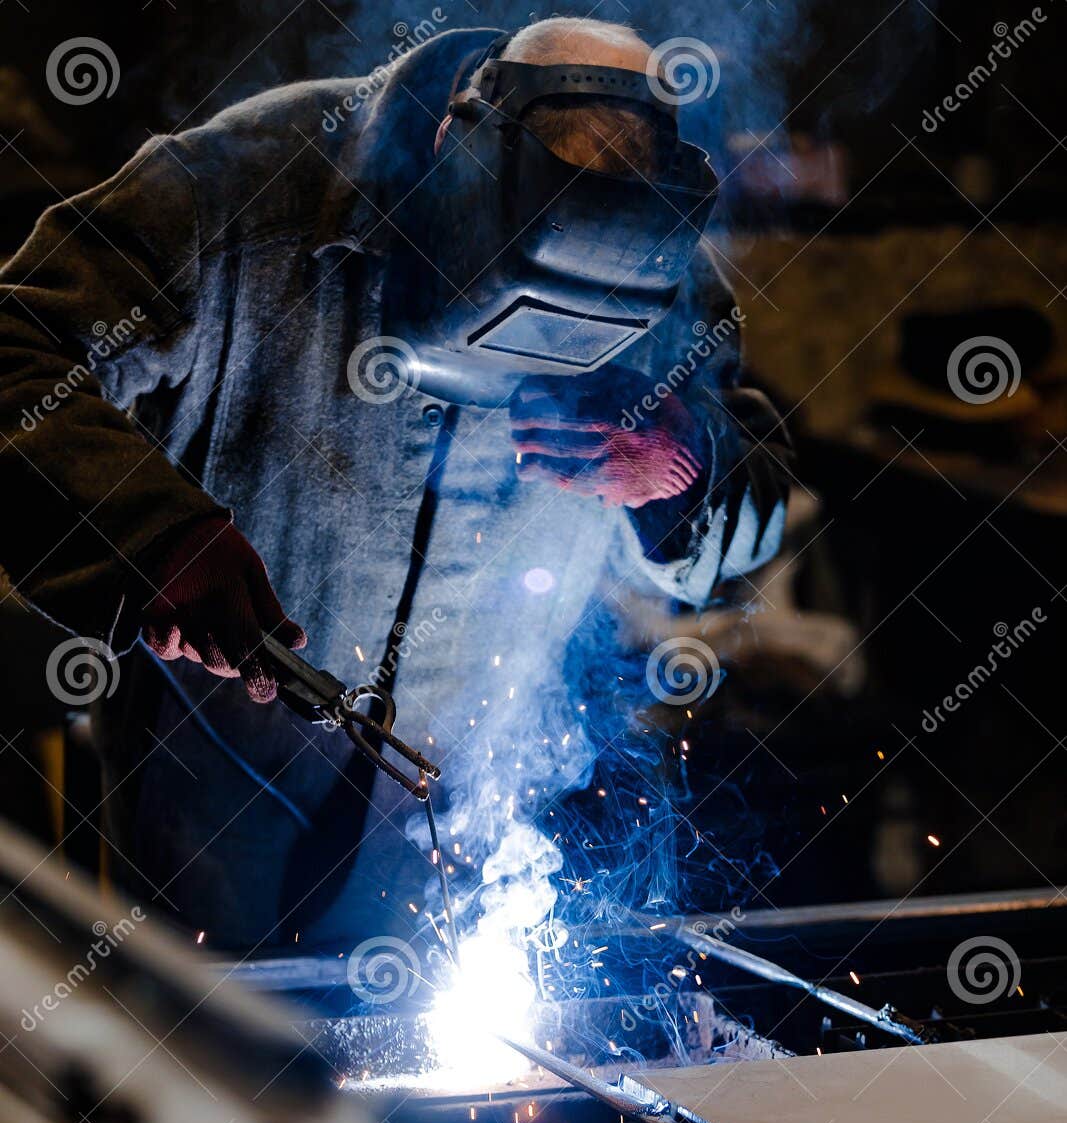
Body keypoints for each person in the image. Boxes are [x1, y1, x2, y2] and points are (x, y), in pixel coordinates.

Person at [0, 19, 789, 953]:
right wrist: (152, 534)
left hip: (472, 825)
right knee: (211, 1072)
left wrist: (681, 463)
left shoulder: (657, 259)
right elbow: (17, 359)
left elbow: (755, 514)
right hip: (211, 801)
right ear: (453, 159)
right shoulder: (245, 188)